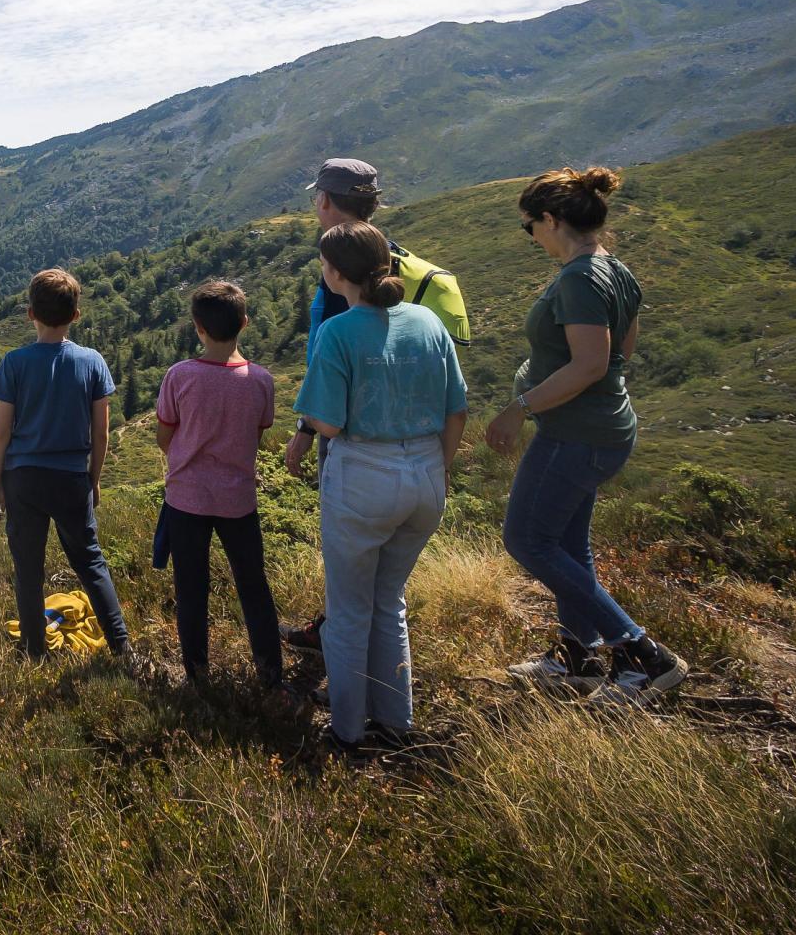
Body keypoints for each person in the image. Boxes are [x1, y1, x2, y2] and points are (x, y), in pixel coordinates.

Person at [485, 167, 687, 704]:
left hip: (575, 435)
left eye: (530, 227)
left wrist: (519, 407)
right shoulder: (615, 271)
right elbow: (623, 353)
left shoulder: (579, 279)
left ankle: (644, 654)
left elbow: (592, 364)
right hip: (604, 429)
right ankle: (578, 653)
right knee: (569, 545)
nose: (531, 237)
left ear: (551, 220)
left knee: (527, 540)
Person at [282, 158, 471, 655]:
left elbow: (338, 354)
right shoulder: (383, 256)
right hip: (419, 451)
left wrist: (307, 427)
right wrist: (439, 464)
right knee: (387, 592)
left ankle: (342, 663)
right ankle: (382, 691)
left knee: (355, 572)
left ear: (324, 200)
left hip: (357, 446)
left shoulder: (341, 263)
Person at [294, 222, 467, 752]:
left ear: (336, 273)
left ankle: (348, 730)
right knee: (389, 600)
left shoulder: (340, 331)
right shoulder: (427, 322)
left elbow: (326, 421)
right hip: (425, 474)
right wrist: (435, 466)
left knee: (348, 610)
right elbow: (456, 408)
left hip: (364, 475)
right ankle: (396, 720)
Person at [0, 268, 134, 662]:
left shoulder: (14, 363)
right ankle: (122, 647)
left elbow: (1, 434)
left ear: (30, 313)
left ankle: (35, 653)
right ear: (76, 315)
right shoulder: (92, 362)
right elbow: (100, 435)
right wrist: (94, 480)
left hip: (24, 480)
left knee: (28, 570)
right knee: (90, 561)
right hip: (71, 479)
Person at [153, 279, 284, 686]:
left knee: (191, 590)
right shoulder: (260, 380)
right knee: (253, 585)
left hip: (187, 499)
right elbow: (257, 435)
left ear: (198, 327)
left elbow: (163, 436)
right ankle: (269, 673)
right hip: (238, 500)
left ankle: (197, 674)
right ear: (244, 323)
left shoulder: (180, 376)